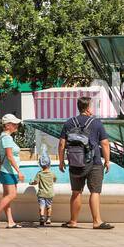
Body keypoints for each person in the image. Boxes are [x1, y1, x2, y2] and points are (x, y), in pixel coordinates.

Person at [58, 96, 113, 229]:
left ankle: (73, 221)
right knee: (95, 192)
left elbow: (61, 144)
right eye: (92, 106)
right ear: (88, 108)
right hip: (94, 162)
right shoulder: (96, 123)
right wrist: (107, 160)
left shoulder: (69, 123)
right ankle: (97, 221)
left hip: (75, 162)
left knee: (76, 192)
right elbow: (105, 143)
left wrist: (61, 161)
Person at [0, 114, 25, 229]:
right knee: (12, 195)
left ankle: (10, 221)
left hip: (7, 170)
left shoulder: (4, 136)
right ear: (7, 125)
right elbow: (10, 156)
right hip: (8, 170)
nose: (17, 126)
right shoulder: (6, 138)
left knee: (7, 196)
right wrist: (19, 172)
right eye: (14, 124)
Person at [33, 156, 57, 226]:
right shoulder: (52, 173)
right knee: (49, 206)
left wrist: (32, 183)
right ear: (49, 164)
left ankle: (42, 218)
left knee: (42, 206)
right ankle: (48, 219)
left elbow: (36, 182)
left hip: (41, 193)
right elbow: (55, 179)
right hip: (50, 193)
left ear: (40, 164)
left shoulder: (39, 173)